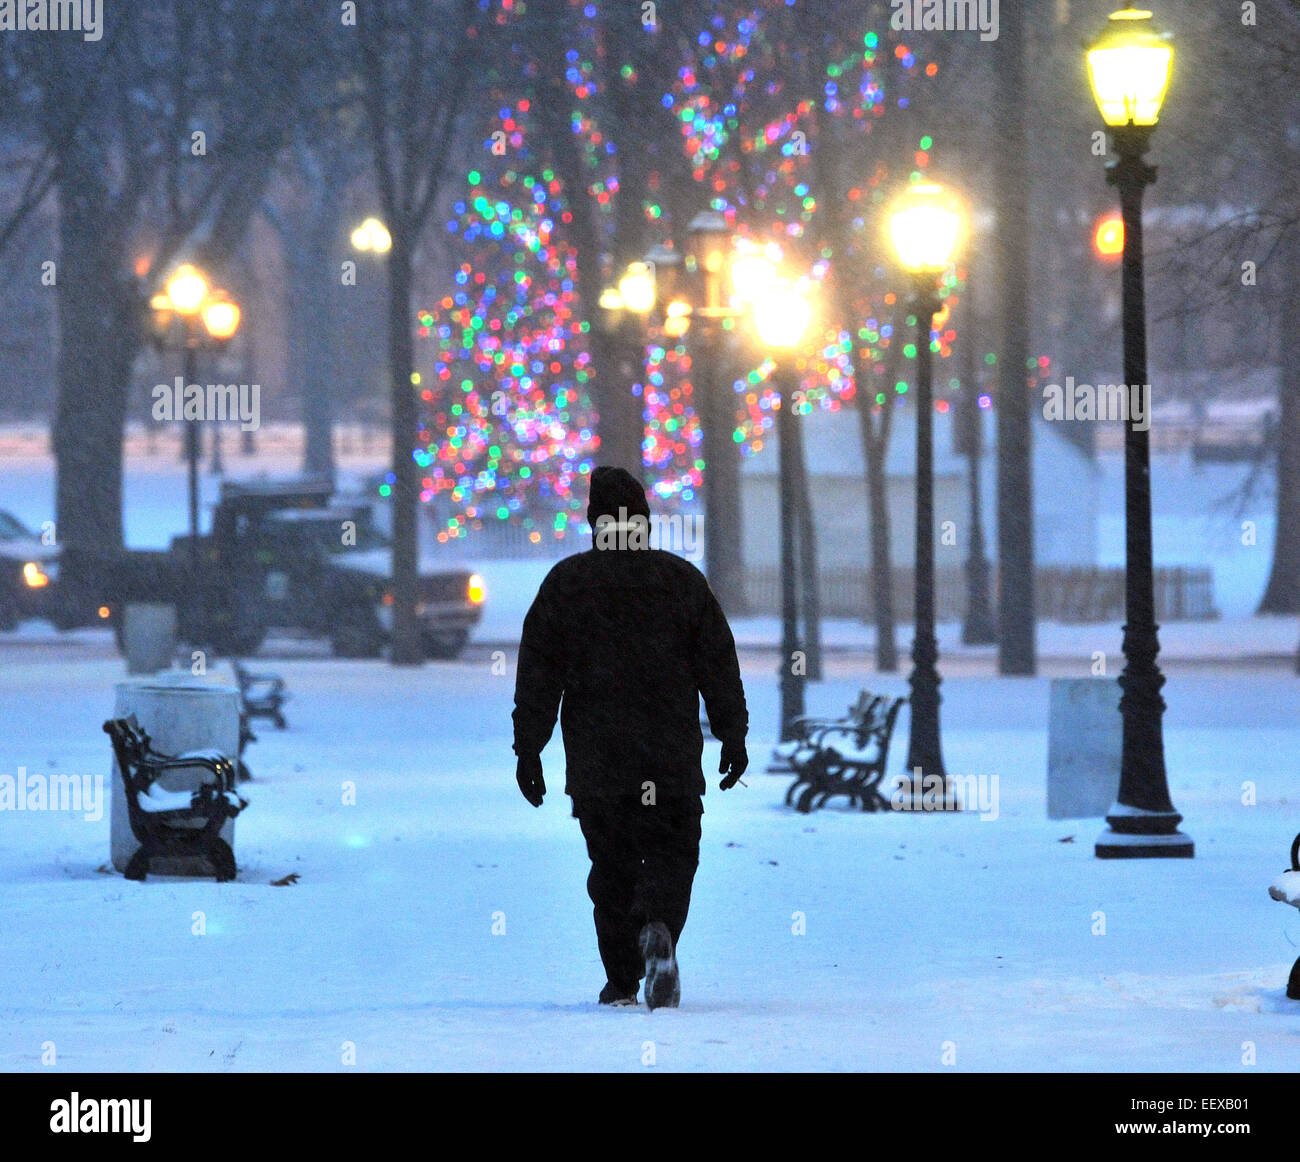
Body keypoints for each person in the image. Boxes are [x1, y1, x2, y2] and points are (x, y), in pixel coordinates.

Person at [512, 465, 749, 1009]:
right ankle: (659, 925)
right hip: (668, 758)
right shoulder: (682, 582)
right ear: (642, 521)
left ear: (594, 523)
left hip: (600, 761)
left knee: (611, 868)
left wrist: (530, 748)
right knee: (673, 852)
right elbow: (718, 664)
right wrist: (732, 734)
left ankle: (622, 979)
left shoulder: (566, 585)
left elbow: (539, 674)